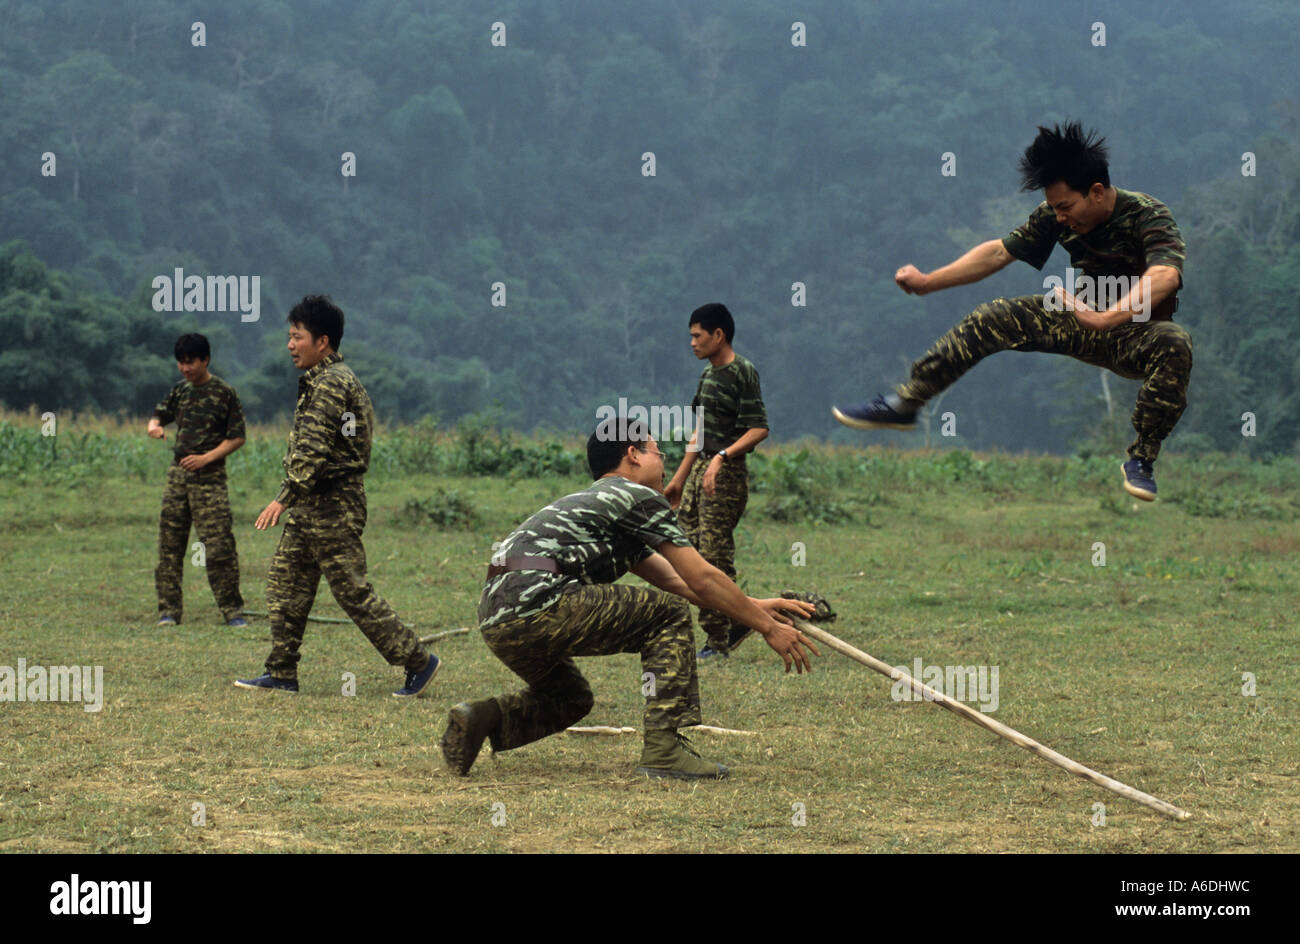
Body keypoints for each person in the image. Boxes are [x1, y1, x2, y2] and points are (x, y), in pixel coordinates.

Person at [440, 418, 819, 780]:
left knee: (570, 698)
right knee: (669, 615)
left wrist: (754, 609)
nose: (663, 462)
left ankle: (483, 718)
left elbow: (678, 579)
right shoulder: (634, 495)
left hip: (497, 617)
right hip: (540, 601)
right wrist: (768, 628)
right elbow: (701, 578)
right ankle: (663, 751)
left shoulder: (603, 505)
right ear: (633, 454)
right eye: (657, 452)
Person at [833, 122, 1192, 501]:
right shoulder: (1057, 214)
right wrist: (927, 282)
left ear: (1098, 192)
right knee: (994, 317)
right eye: (1055, 209)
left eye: (1066, 207)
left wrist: (1105, 317)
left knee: (1176, 342)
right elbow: (999, 252)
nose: (1061, 217)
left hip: (1137, 332)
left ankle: (1141, 460)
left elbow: (1165, 275)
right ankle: (907, 401)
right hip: (1081, 319)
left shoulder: (1148, 214)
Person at [234, 295, 439, 696]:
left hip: (332, 505)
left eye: (297, 337)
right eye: (289, 337)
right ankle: (281, 673)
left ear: (322, 341)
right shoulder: (325, 379)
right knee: (285, 584)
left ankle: (419, 660)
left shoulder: (331, 383)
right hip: (313, 504)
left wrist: (283, 497)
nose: (290, 345)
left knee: (351, 591)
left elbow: (313, 448)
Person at [663, 303, 770, 658]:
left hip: (725, 476)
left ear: (718, 335)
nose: (692, 343)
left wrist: (723, 457)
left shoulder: (743, 372)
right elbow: (701, 432)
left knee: (714, 556)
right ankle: (733, 621)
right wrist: (679, 478)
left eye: (697, 336)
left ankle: (719, 638)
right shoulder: (708, 376)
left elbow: (759, 428)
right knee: (686, 552)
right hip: (699, 473)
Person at [148, 333, 247, 627]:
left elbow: (237, 437)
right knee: (170, 545)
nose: (185, 368)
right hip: (178, 477)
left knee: (218, 547)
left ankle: (232, 611)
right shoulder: (180, 391)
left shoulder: (224, 392)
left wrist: (206, 458)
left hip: (210, 478)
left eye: (190, 362)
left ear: (205, 360)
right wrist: (153, 427)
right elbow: (158, 416)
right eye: (181, 363)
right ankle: (168, 611)